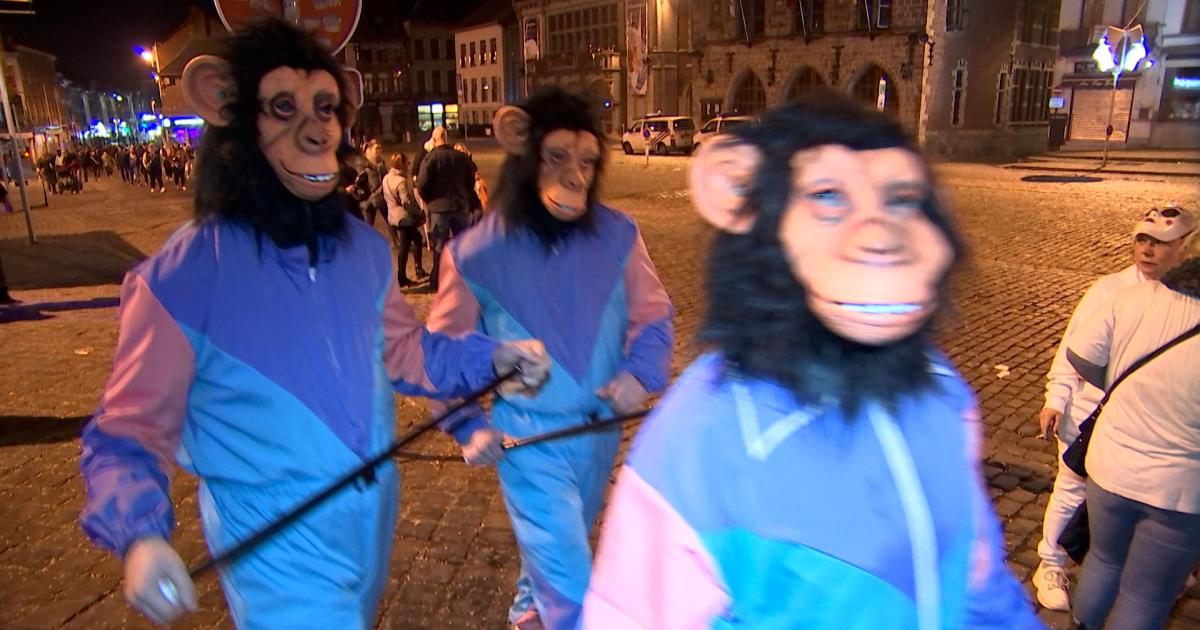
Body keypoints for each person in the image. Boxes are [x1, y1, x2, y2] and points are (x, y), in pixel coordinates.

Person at [79, 20, 551, 629]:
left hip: (370, 512)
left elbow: (404, 351)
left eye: (325, 107)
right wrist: (139, 533)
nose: (316, 128)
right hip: (272, 532)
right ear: (232, 115)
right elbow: (127, 429)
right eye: (283, 107)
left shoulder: (359, 249)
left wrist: (492, 360)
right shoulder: (181, 277)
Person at [582, 91, 1043, 629]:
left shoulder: (941, 391)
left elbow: (977, 582)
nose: (881, 233)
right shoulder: (704, 437)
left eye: (901, 198)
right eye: (827, 194)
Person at [427, 88, 674, 630]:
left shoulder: (617, 233)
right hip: (530, 442)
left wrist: (640, 373)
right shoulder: (475, 251)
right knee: (571, 580)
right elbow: (441, 350)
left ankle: (525, 615)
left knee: (559, 550)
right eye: (558, 157)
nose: (577, 176)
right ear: (523, 149)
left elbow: (654, 313)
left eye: (587, 161)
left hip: (600, 433)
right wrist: (466, 421)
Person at [1032, 203, 1199, 611]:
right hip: (1092, 420)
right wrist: (1057, 398)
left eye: (1160, 243)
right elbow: (1074, 352)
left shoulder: (1179, 301)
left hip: (1146, 435)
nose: (1148, 250)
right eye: (1141, 239)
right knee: (1071, 491)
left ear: (1185, 248)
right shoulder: (1109, 291)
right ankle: (1050, 563)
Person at [416, 125, 477, 293]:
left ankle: (438, 280)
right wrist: (464, 194)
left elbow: (421, 184)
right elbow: (470, 179)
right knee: (463, 244)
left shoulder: (430, 159)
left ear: (434, 139)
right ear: (446, 137)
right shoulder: (460, 157)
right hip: (459, 205)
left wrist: (430, 200)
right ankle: (466, 278)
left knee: (439, 246)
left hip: (439, 208)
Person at [382, 152, 427, 287]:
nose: (408, 165)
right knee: (405, 246)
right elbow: (406, 203)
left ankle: (417, 270)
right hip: (403, 218)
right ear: (401, 165)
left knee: (416, 240)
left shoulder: (387, 178)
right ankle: (402, 277)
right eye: (406, 162)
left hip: (393, 216)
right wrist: (420, 214)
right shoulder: (400, 181)